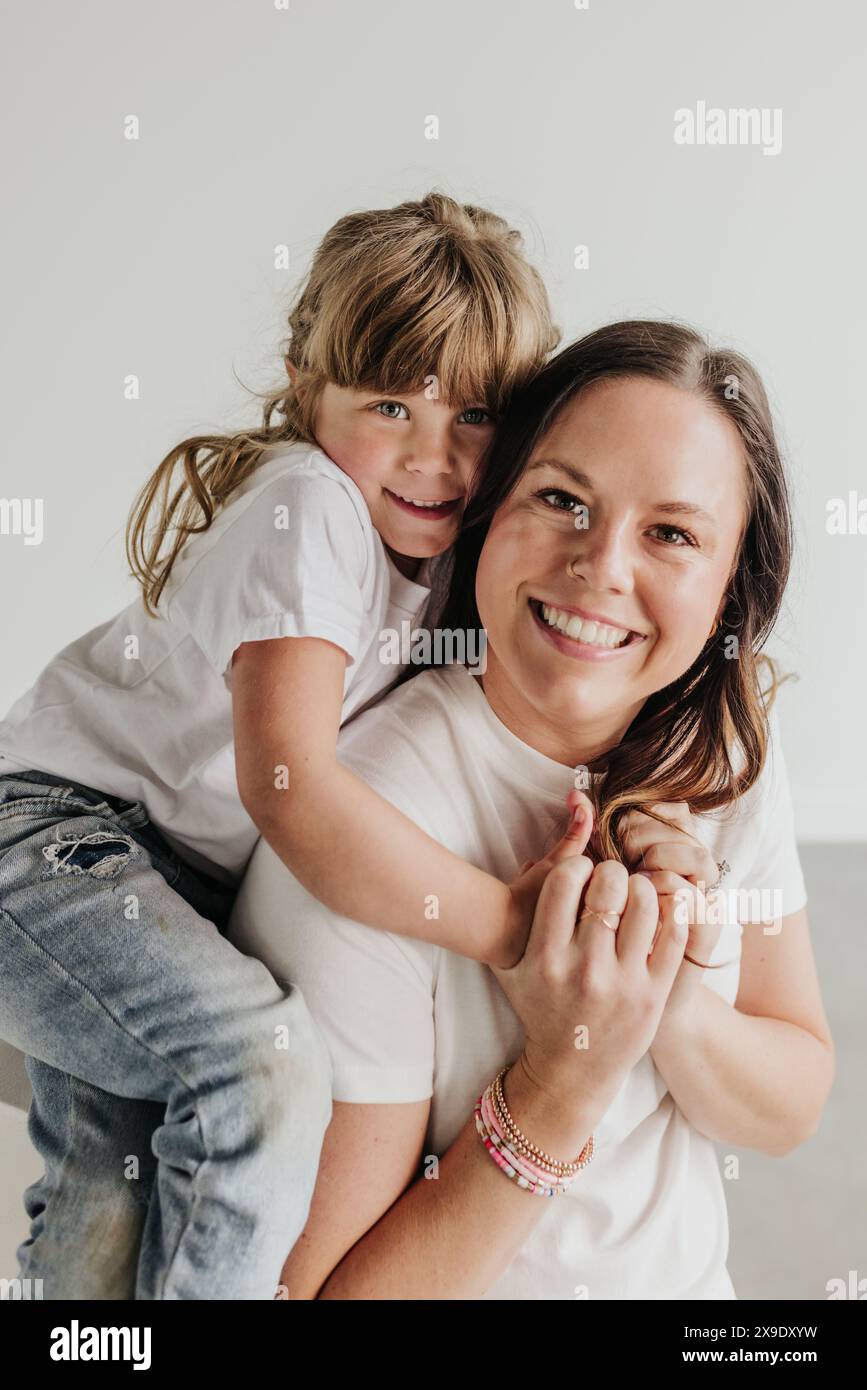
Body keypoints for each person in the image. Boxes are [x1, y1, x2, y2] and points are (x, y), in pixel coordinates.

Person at [0, 191, 560, 1299]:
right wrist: (504, 922)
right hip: (60, 844)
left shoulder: (447, 546)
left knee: (106, 1206)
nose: (435, 457)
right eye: (390, 403)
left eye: (476, 416)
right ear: (309, 388)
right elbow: (292, 790)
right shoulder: (312, 508)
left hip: (159, 886)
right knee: (264, 1068)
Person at [228, 320, 836, 1300]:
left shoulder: (721, 755)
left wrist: (654, 988)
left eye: (672, 533)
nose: (601, 565)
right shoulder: (373, 827)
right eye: (561, 498)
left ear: (731, 591)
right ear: (487, 512)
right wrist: (565, 1077)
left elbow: (789, 1102)